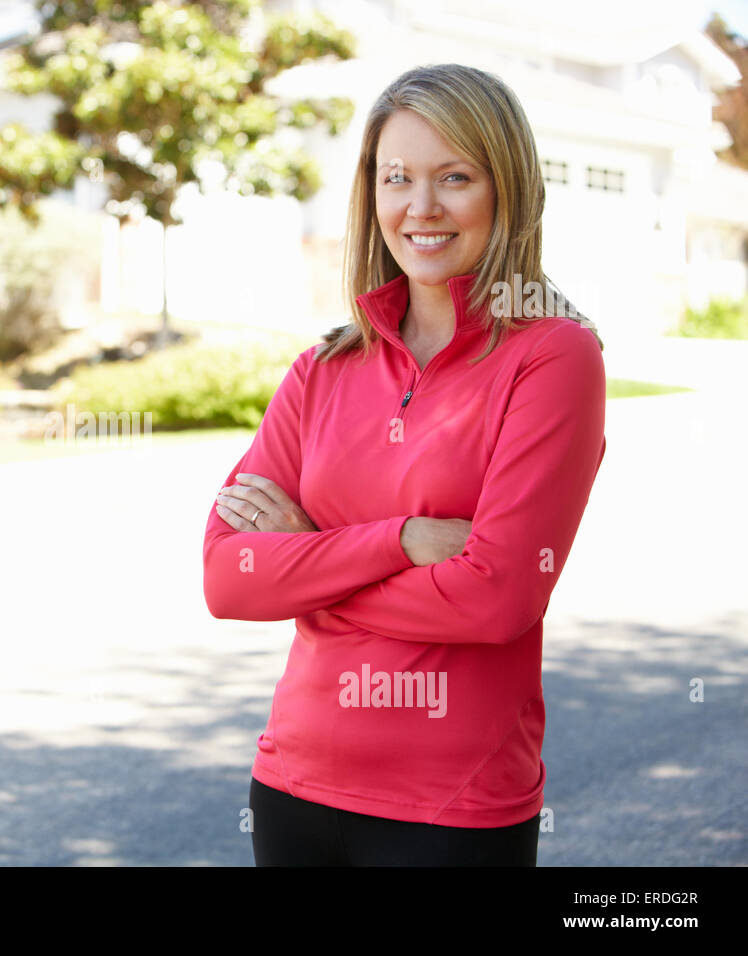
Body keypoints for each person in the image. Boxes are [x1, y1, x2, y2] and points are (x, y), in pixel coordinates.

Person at [202, 63, 607, 866]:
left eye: (455, 177)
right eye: (398, 179)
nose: (421, 208)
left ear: (509, 191)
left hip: (452, 811)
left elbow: (497, 597)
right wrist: (405, 541)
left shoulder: (553, 356)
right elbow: (229, 577)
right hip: (293, 788)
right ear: (372, 194)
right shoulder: (324, 365)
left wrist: (312, 561)